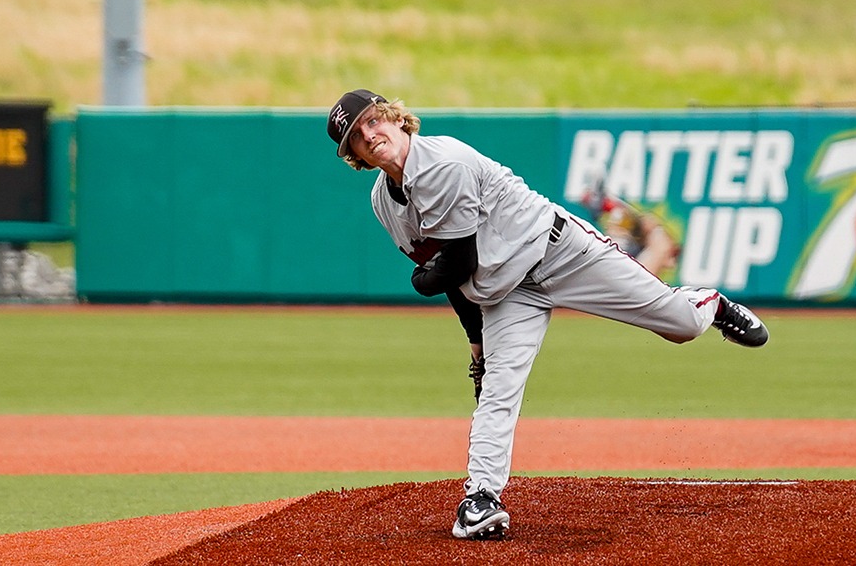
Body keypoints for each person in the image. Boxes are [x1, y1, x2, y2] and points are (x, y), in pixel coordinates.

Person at [325, 89, 769, 541]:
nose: (370, 135)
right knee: (497, 390)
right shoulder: (384, 202)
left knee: (681, 326)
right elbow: (455, 279)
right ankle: (481, 498)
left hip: (560, 253)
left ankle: (708, 303)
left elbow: (453, 265)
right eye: (357, 137)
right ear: (356, 156)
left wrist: (420, 283)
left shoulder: (443, 163)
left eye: (375, 120)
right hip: (505, 293)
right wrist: (476, 346)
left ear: (397, 119)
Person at [579, 180, 682, 278]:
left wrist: (609, 205)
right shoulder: (639, 267)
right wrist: (609, 205)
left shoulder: (643, 272)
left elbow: (661, 243)